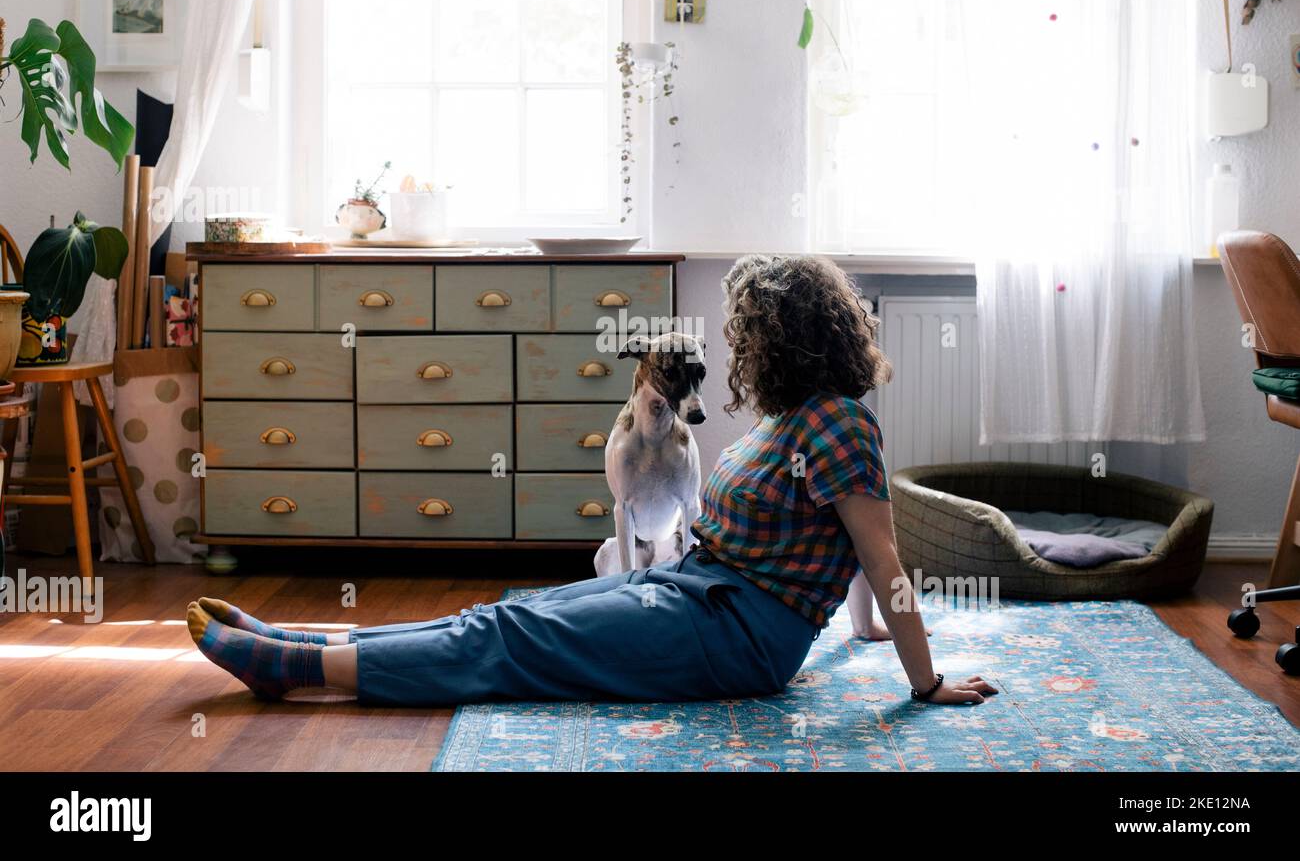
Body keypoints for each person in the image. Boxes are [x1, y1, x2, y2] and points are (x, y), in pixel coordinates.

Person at [187, 254, 997, 707]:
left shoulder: (841, 423)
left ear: (782, 339)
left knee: (512, 645)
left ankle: (293, 671)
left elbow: (880, 557)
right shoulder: (785, 423)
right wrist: (863, 632)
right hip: (694, 589)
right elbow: (841, 558)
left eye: (747, 333)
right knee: (513, 610)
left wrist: (925, 683)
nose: (739, 347)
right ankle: (306, 641)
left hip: (739, 636)